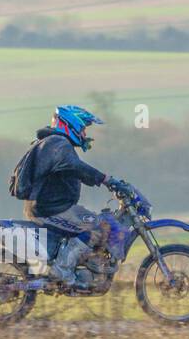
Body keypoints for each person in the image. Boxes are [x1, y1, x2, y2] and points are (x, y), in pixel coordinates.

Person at [22, 105, 132, 286]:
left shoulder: (56, 144)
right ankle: (62, 270)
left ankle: (82, 266)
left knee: (100, 223)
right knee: (96, 226)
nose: (84, 134)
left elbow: (74, 171)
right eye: (82, 128)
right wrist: (106, 179)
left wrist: (102, 182)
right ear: (70, 125)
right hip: (49, 209)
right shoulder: (56, 143)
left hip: (55, 206)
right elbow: (76, 167)